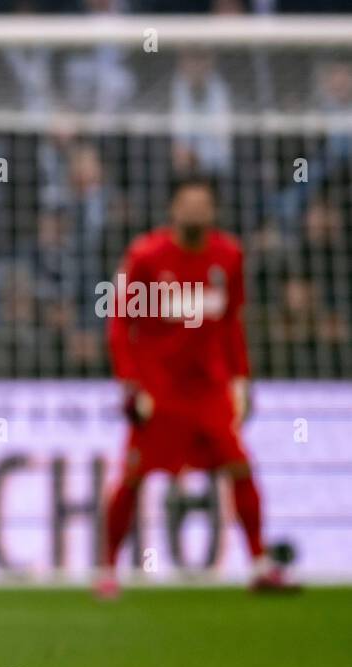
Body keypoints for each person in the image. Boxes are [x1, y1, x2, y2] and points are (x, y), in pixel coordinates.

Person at [98, 175, 293, 597]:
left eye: (203, 205)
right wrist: (130, 385)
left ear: (213, 212)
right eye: (187, 204)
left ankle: (259, 564)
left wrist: (241, 378)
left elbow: (232, 324)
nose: (195, 212)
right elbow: (119, 324)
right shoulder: (146, 256)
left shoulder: (228, 256)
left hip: (209, 391)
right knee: (132, 478)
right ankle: (108, 570)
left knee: (239, 465)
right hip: (159, 391)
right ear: (173, 210)